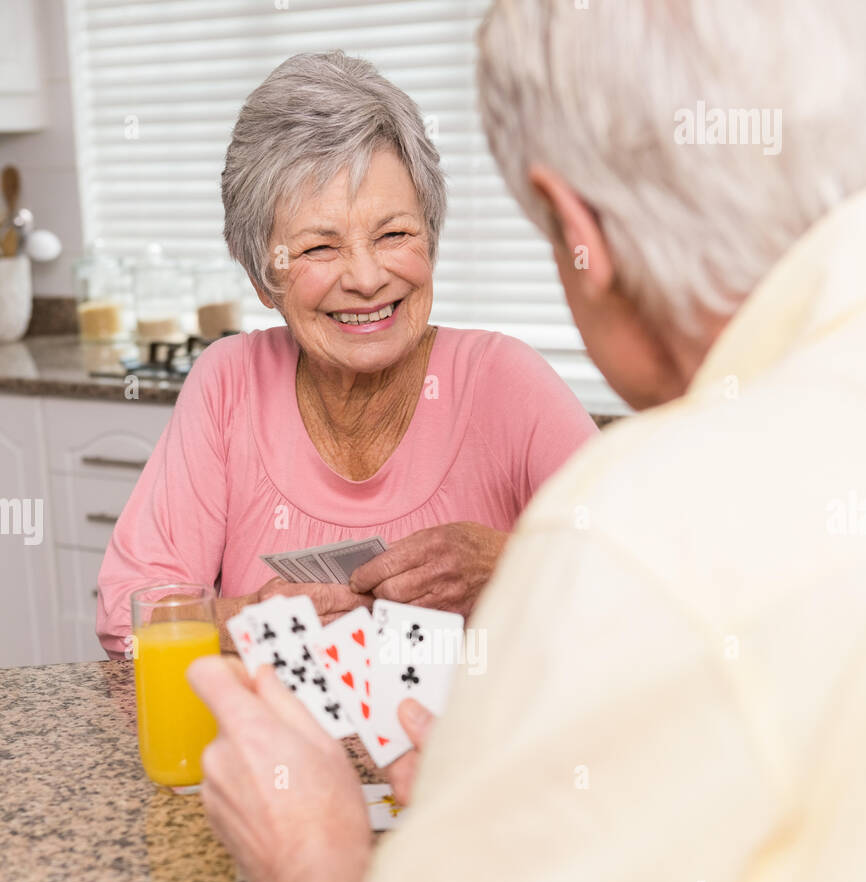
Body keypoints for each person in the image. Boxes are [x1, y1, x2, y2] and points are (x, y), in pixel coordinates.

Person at [188, 0, 866, 882]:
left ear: (576, 228)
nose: (366, 270)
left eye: (394, 232)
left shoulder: (639, 528)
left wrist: (325, 861)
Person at [96, 50, 595, 655]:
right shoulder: (229, 382)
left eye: (394, 235)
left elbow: (664, 576)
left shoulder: (504, 380)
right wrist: (249, 618)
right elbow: (130, 616)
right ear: (262, 279)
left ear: (430, 241)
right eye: (319, 248)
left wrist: (509, 562)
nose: (365, 278)